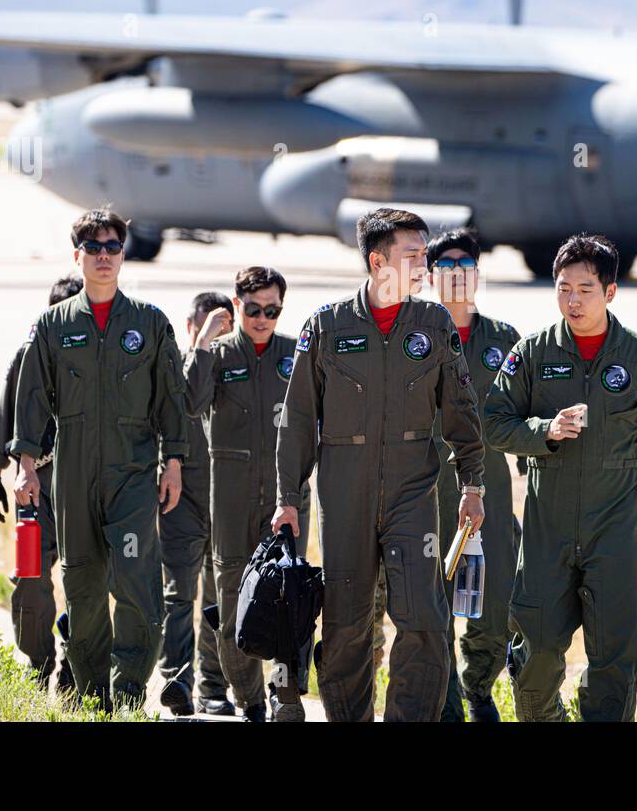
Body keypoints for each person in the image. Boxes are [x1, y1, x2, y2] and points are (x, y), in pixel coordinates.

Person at [273, 207, 485, 722]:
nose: (424, 266)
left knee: (424, 618)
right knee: (346, 624)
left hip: (414, 492)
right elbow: (298, 419)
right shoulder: (326, 326)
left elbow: (461, 409)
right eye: (413, 255)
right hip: (344, 495)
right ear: (377, 260)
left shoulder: (433, 324)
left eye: (424, 255)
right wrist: (287, 499)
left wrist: (472, 484)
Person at [482, 233, 637, 721]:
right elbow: (493, 421)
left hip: (613, 535)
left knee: (615, 663)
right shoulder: (532, 353)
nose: (572, 300)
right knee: (534, 655)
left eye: (584, 289)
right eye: (563, 288)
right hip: (546, 535)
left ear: (610, 292)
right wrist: (545, 430)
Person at [11, 208, 188, 712]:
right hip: (71, 470)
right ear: (78, 256)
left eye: (112, 246)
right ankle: (93, 694)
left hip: (133, 469)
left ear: (123, 253)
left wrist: (173, 462)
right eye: (94, 248)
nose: (104, 256)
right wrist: (25, 465)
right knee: (82, 582)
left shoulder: (150, 324)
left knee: (135, 580)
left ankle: (129, 687)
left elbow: (171, 399)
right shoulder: (52, 324)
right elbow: (30, 399)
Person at [186, 267, 313, 722]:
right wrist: (203, 341)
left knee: (289, 599)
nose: (264, 318)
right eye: (255, 309)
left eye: (273, 310)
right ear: (237, 306)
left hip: (287, 497)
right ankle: (251, 700)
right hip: (232, 497)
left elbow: (312, 426)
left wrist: (294, 495)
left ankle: (285, 697)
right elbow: (192, 402)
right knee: (234, 600)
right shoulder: (218, 355)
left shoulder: (294, 354)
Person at [425, 228, 523, 721]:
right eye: (446, 267)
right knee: (433, 599)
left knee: (495, 593)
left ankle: (478, 688)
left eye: (466, 266)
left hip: (491, 486)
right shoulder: (411, 336)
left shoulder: (504, 340)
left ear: (478, 275)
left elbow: (525, 412)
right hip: (426, 485)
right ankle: (445, 705)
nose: (457, 275)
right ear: (428, 277)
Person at [0, 273, 82, 695]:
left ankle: (77, 661)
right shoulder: (30, 352)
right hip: (35, 483)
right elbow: (9, 404)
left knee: (88, 577)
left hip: (86, 482)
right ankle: (39, 660)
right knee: (30, 574)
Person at [157, 292, 236, 717]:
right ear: (190, 328)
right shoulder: (176, 366)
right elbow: (188, 399)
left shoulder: (239, 366)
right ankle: (176, 680)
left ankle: (213, 685)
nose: (216, 335)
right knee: (178, 594)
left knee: (220, 598)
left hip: (224, 498)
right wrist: (202, 346)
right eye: (206, 327)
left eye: (223, 327)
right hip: (182, 497)